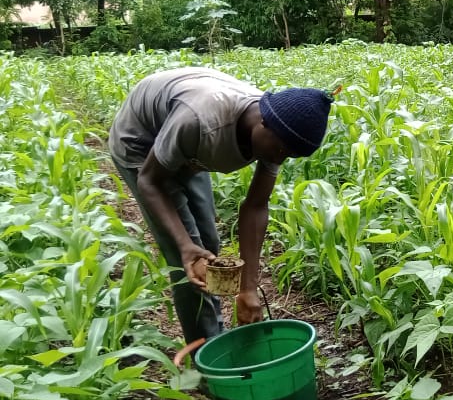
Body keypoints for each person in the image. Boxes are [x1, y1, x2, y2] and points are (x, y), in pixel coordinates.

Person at [109, 67, 336, 345]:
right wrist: (184, 245)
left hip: (185, 143)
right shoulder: (201, 122)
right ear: (263, 122)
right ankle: (208, 357)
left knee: (208, 244)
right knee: (191, 262)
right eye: (281, 150)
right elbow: (149, 181)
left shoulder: (280, 135)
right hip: (141, 142)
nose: (281, 157)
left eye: (290, 155)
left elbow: (255, 207)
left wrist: (249, 288)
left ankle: (215, 335)